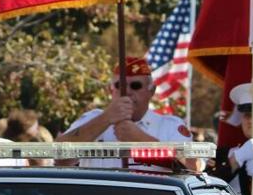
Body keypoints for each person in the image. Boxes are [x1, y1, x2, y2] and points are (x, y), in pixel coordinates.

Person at [59, 57, 196, 169]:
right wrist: (105, 119)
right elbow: (59, 157)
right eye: (120, 85)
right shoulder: (92, 119)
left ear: (151, 91)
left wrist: (140, 140)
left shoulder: (170, 127)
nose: (128, 91)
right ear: (110, 90)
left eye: (136, 86)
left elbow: (192, 167)